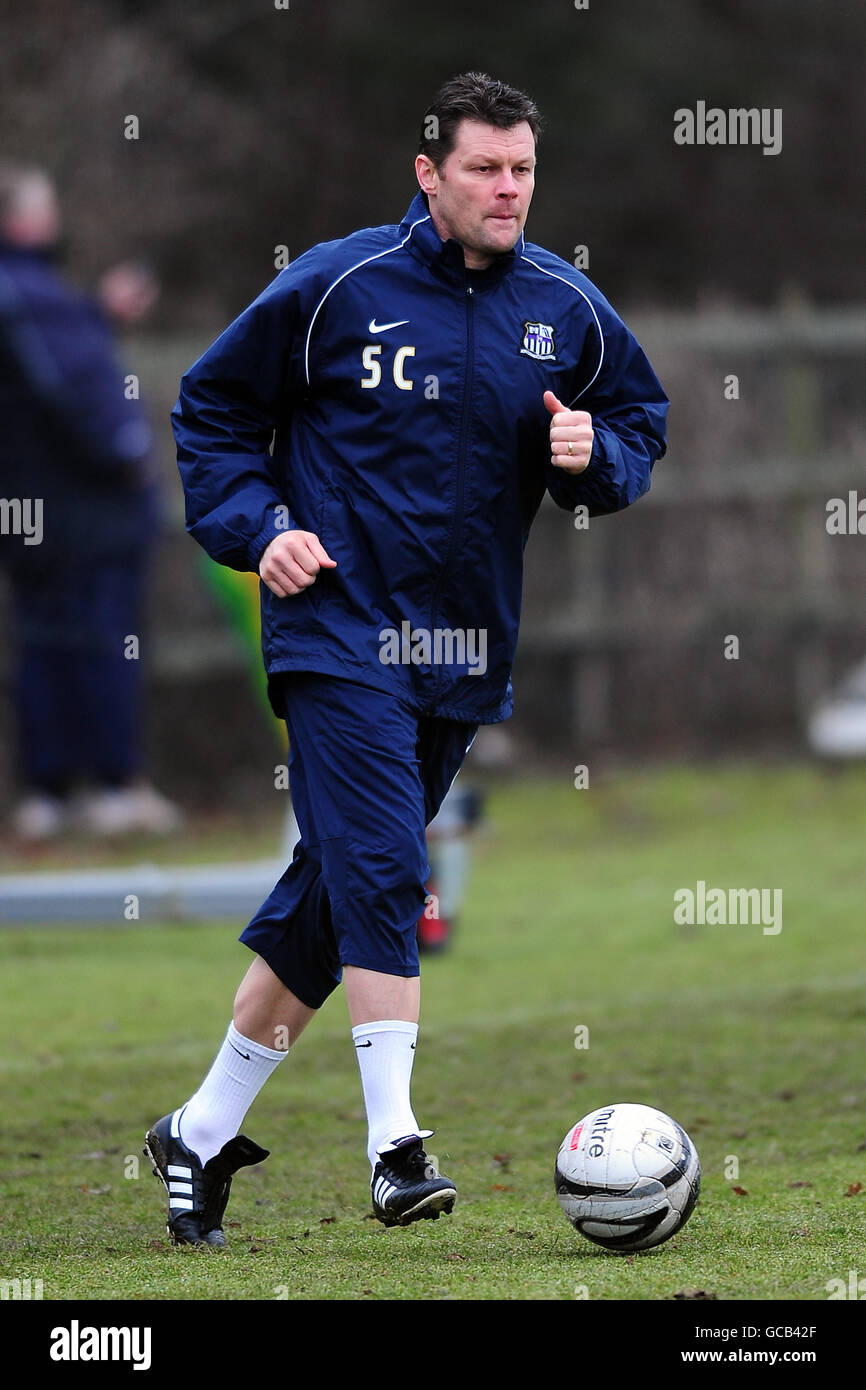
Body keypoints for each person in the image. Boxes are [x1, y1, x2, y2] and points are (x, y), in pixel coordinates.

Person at [145, 73, 668, 1243]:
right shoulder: (335, 285)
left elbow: (638, 419)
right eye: (483, 167)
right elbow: (213, 408)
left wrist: (596, 455)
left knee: (334, 900)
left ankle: (198, 1126)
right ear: (427, 173)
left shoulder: (564, 305)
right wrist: (262, 528)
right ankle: (394, 1147)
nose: (507, 189)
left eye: (522, 169)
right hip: (336, 626)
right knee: (384, 866)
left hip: (462, 647)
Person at [0, 164, 180, 840]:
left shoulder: (37, 298)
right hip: (86, 511)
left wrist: (98, 314)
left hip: (28, 514)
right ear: (21, 219)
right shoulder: (28, 294)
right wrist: (129, 453)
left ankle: (47, 794)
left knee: (44, 640)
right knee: (105, 637)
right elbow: (69, 387)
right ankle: (112, 786)